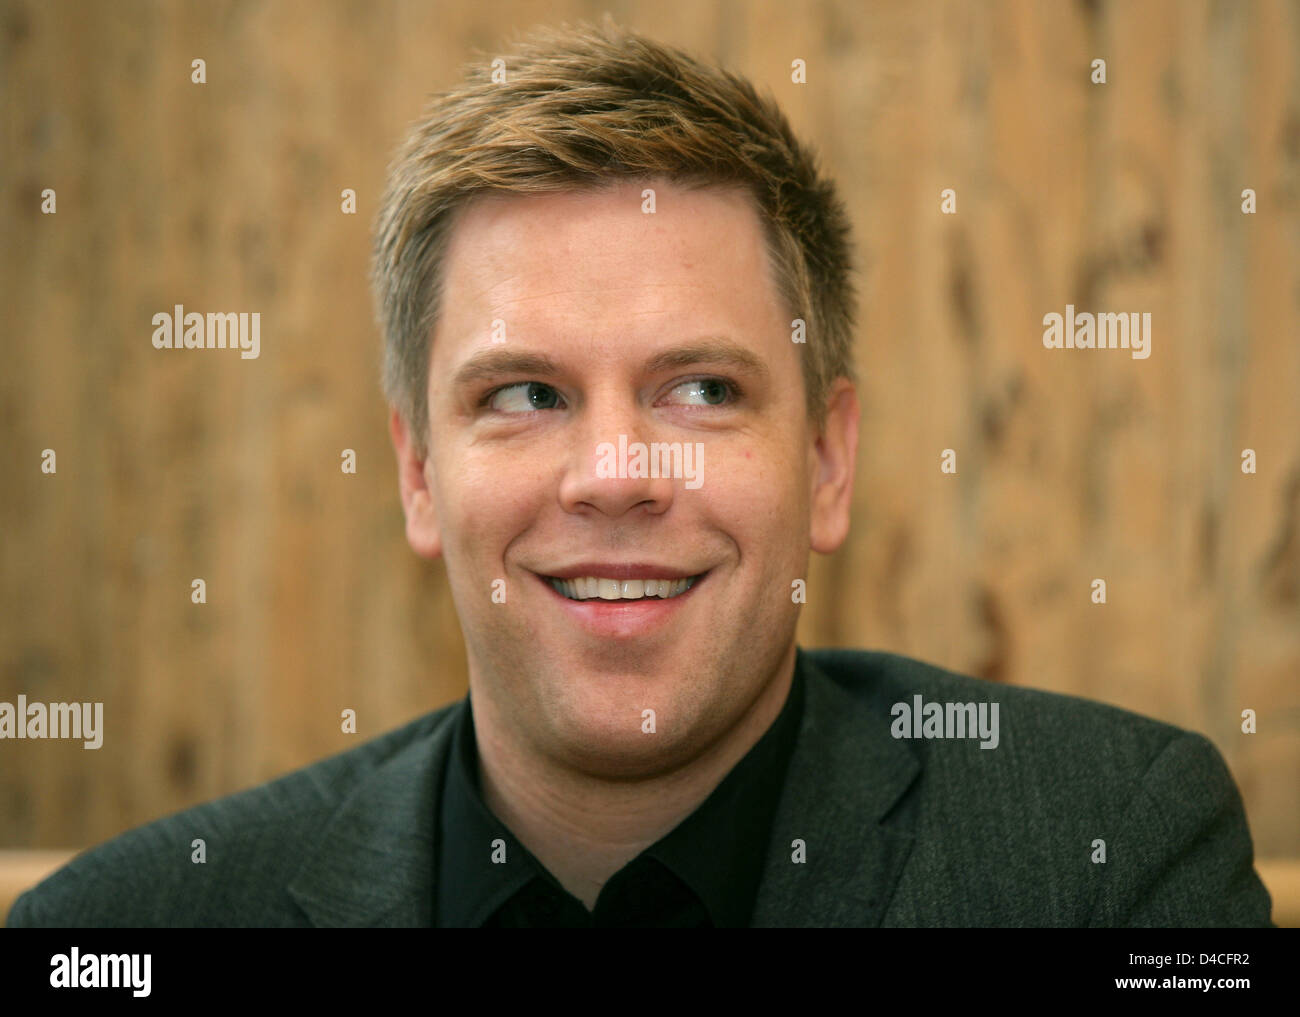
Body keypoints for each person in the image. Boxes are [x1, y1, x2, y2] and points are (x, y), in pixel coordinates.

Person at [8, 20, 1273, 928]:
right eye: (524, 395)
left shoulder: (1109, 863)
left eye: (703, 390)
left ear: (827, 462)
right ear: (414, 473)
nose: (615, 474)